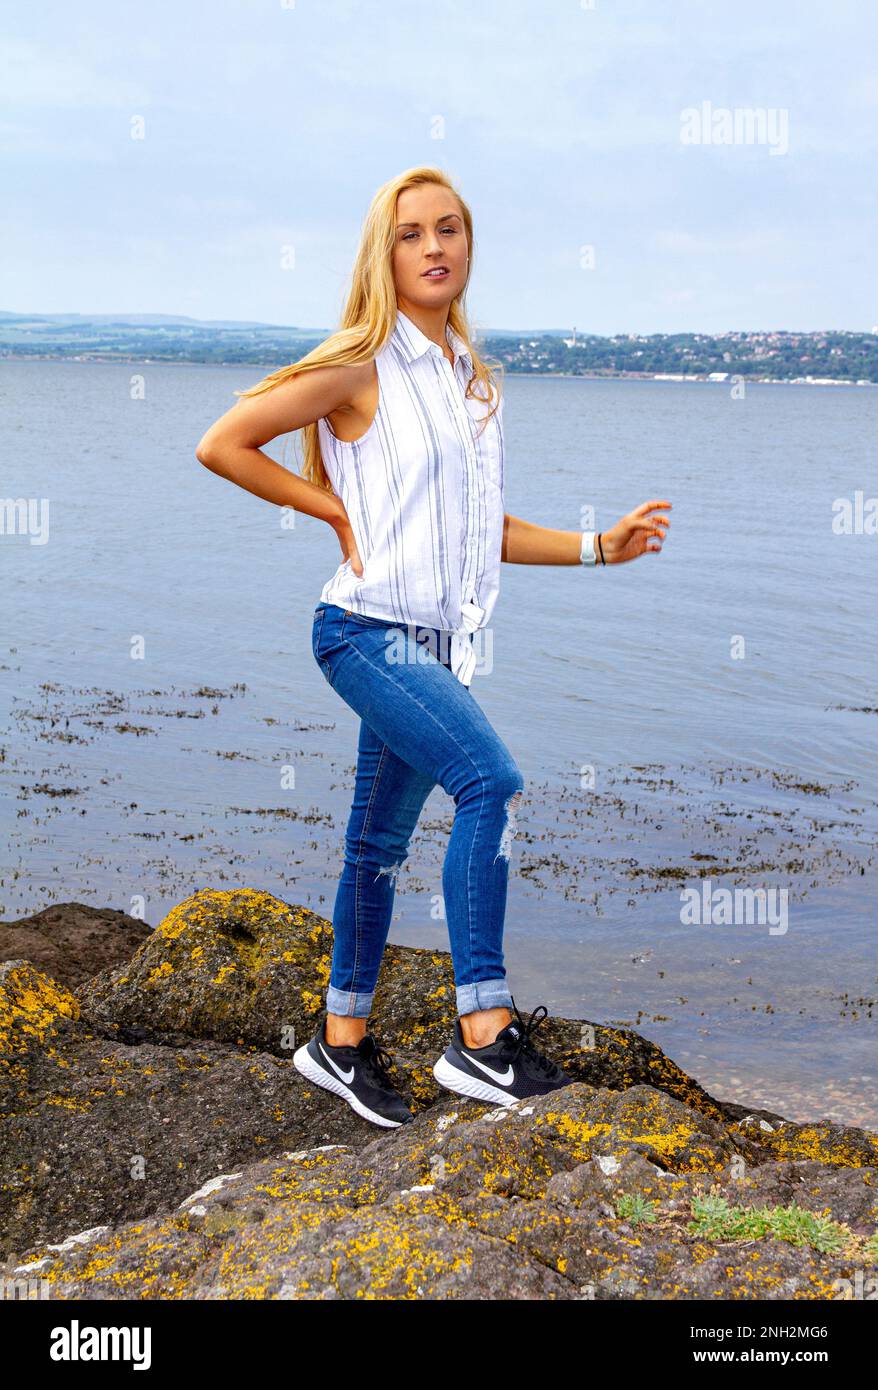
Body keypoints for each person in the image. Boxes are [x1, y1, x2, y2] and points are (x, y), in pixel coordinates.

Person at [196, 165, 671, 1129]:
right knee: (490, 782)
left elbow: (477, 529)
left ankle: (339, 1045)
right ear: (387, 253)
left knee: (375, 845)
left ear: (468, 247)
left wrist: (595, 549)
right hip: (364, 634)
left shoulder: (466, 382)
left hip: (432, 643)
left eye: (449, 229)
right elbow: (225, 441)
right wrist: (328, 504)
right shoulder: (359, 364)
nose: (434, 247)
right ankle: (483, 1035)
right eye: (412, 234)